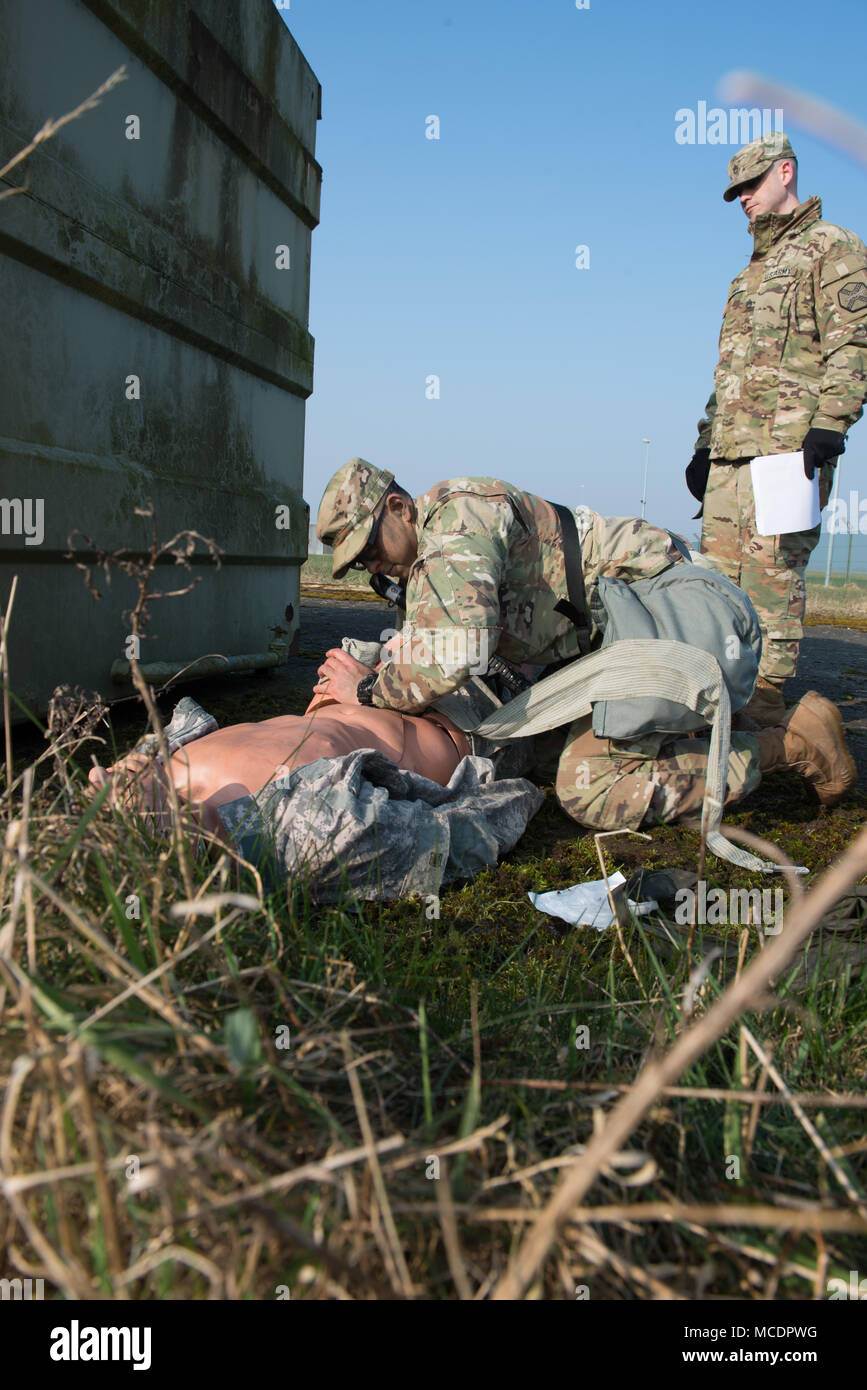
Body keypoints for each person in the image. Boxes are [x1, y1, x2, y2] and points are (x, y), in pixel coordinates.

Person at [314, 459, 857, 831]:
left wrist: (366, 691)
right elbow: (439, 646)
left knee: (587, 786)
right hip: (633, 632)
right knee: (545, 751)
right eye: (361, 565)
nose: (373, 566)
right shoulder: (432, 555)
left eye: (370, 549)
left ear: (399, 508)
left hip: (675, 619)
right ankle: (718, 729)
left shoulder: (455, 523)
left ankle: (791, 746)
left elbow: (456, 649)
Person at [686, 132, 867, 727]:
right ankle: (720, 695)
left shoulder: (831, 247)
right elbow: (727, 372)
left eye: (751, 184)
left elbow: (852, 344)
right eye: (736, 190)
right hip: (731, 456)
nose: (743, 199)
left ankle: (765, 704)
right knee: (715, 581)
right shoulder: (747, 277)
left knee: (773, 577)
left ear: (785, 172)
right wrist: (704, 445)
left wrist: (830, 425)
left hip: (789, 451)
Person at [88, 690, 471, 838]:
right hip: (454, 726)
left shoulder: (174, 765)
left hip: (365, 697)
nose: (99, 774)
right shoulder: (266, 819)